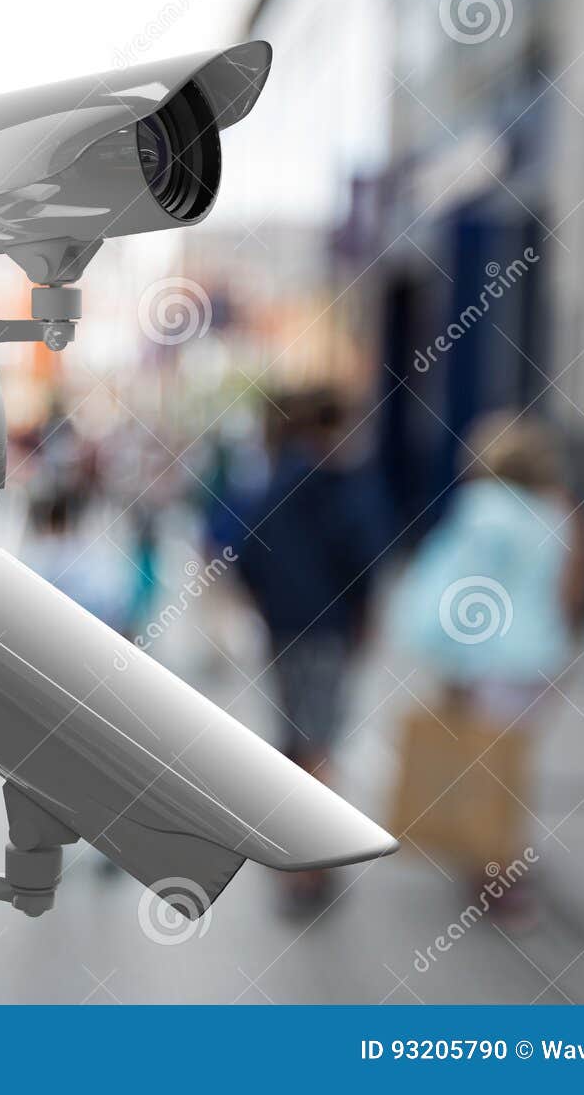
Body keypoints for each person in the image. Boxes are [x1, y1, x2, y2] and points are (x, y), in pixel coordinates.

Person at [386, 410, 584, 922]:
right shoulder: (557, 511)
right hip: (538, 658)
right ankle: (499, 862)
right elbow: (570, 589)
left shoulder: (483, 507)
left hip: (490, 658)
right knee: (512, 763)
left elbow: (464, 591)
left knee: (486, 765)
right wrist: (560, 647)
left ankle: (492, 870)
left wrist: (449, 656)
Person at [234, 385, 394, 907]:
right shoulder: (344, 484)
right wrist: (366, 619)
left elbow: (244, 548)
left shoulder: (273, 481)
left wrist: (264, 603)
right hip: (328, 629)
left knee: (296, 737)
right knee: (319, 742)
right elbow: (365, 558)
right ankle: (309, 865)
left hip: (283, 626)